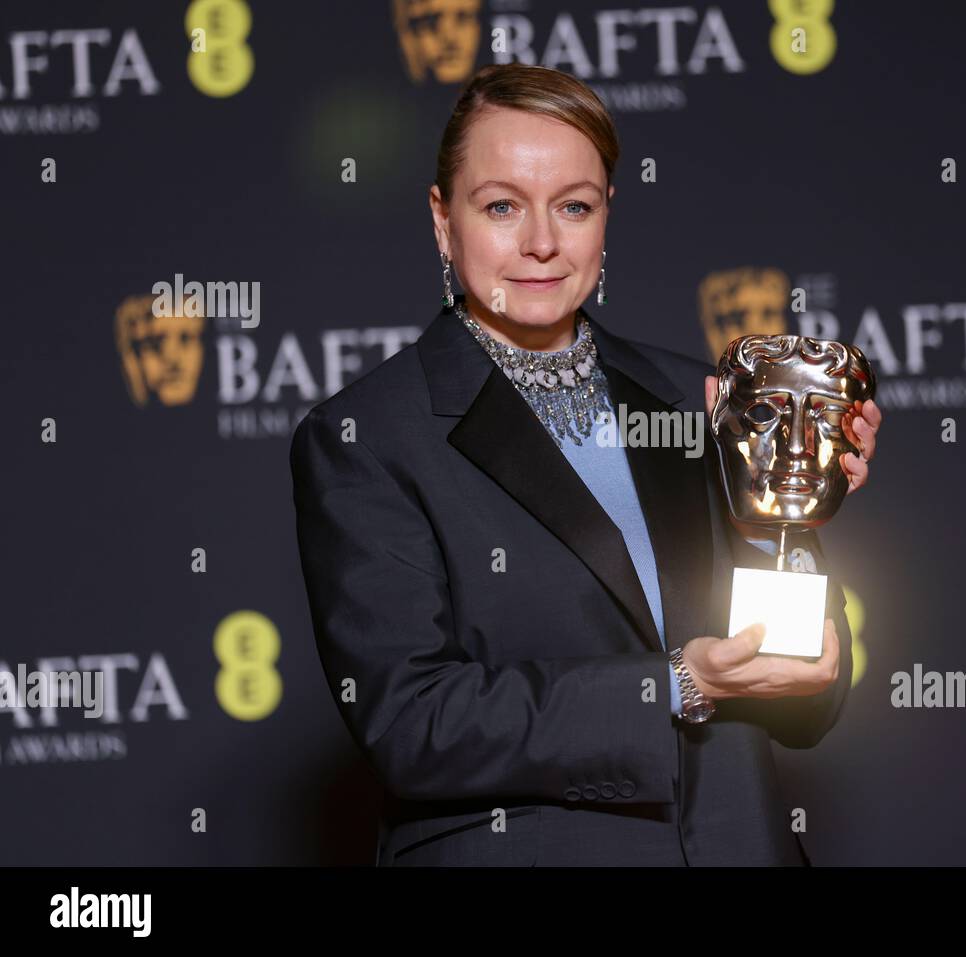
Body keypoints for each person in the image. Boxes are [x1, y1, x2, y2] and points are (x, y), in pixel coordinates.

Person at [289, 62, 882, 866]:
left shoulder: (694, 395)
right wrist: (676, 682)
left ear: (606, 217)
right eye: (501, 206)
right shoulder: (368, 435)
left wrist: (794, 496)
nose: (541, 242)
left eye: (574, 205)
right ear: (442, 219)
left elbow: (804, 707)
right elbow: (412, 724)